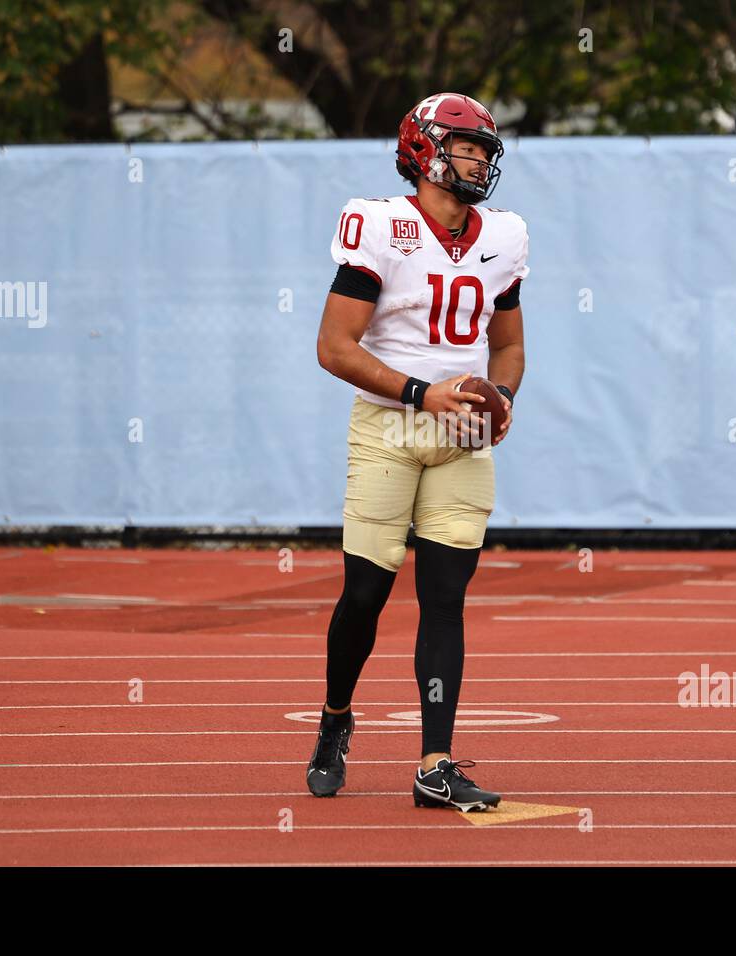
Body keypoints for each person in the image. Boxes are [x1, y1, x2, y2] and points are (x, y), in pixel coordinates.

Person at [308, 92, 529, 811]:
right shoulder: (380, 224)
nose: (479, 160)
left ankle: (435, 762)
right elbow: (334, 347)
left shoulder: (504, 236)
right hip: (389, 427)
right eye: (467, 146)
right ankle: (337, 716)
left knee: (445, 600)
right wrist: (420, 394)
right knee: (365, 595)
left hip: (458, 434)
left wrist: (500, 397)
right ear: (426, 151)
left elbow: (510, 346)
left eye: (484, 149)